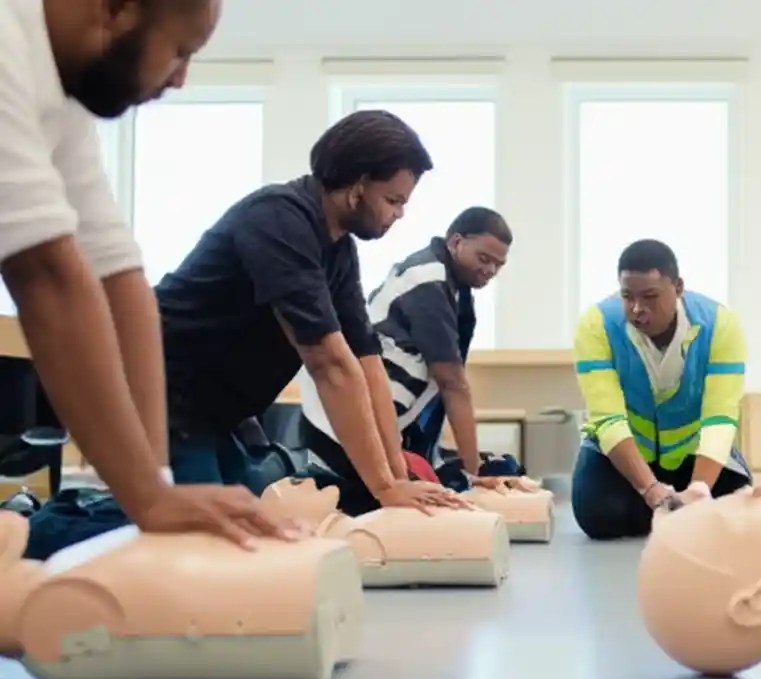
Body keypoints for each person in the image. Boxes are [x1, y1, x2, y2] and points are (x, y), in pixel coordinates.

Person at [7, 0, 296, 560]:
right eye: (181, 51)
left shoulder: (60, 89)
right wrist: (147, 498)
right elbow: (48, 279)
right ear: (115, 9)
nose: (182, 78)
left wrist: (157, 484)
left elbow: (119, 277)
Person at [300, 206, 515, 514]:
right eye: (484, 259)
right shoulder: (428, 279)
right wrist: (474, 476)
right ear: (456, 243)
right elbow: (453, 384)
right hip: (345, 424)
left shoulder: (455, 287)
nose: (490, 271)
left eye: (498, 265)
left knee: (502, 468)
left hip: (382, 423)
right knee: (389, 506)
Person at [570, 239, 751, 540]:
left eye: (650, 296)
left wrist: (699, 490)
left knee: (737, 509)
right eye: (627, 296)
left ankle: (676, 509)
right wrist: (651, 489)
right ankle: (662, 512)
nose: (638, 309)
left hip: (693, 452)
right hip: (623, 454)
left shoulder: (720, 324)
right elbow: (608, 419)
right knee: (600, 517)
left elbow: (719, 418)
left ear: (678, 287)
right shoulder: (596, 324)